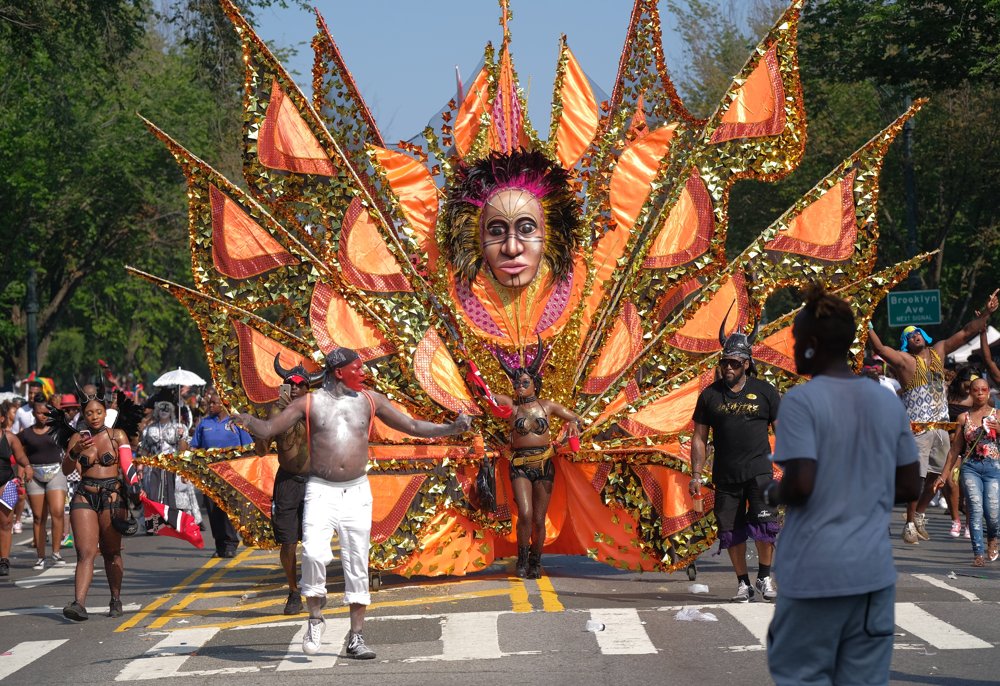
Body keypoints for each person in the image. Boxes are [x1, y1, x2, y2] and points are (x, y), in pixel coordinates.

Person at [235, 347, 471, 659]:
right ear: (339, 372)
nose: (363, 373)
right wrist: (246, 419)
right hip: (320, 490)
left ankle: (356, 637)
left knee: (357, 564)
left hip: (356, 492)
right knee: (314, 555)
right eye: (357, 368)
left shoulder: (371, 400)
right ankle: (315, 619)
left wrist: (451, 429)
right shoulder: (310, 402)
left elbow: (412, 426)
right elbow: (268, 429)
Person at [763, 283, 921, 686]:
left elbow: (801, 484)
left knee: (803, 677)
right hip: (872, 577)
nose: (794, 348)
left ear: (813, 344)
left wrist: (775, 492)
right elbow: (910, 486)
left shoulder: (801, 402)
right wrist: (862, 486)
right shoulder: (886, 401)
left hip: (815, 574)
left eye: (797, 339)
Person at [868, 289, 998, 543]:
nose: (914, 335)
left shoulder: (939, 350)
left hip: (941, 428)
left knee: (941, 477)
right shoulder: (905, 361)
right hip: (918, 429)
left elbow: (967, 332)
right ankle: (909, 523)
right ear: (906, 343)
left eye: (917, 332)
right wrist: (869, 325)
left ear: (924, 336)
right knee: (916, 478)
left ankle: (919, 514)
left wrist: (986, 313)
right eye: (909, 335)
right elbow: (881, 348)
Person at [689, 314, 781, 603]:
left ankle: (764, 577)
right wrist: (696, 475)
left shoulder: (765, 392)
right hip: (726, 475)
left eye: (734, 363)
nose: (728, 367)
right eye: (724, 362)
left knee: (765, 527)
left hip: (759, 472)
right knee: (730, 532)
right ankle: (743, 584)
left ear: (747, 364)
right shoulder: (709, 396)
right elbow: (699, 438)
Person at [489, 346, 582, 578]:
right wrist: (478, 381)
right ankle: (521, 559)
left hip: (544, 466)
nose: (519, 386)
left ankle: (535, 561)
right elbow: (489, 396)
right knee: (526, 513)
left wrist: (573, 424)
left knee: (539, 519)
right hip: (520, 466)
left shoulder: (547, 406)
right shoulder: (512, 407)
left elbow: (577, 418)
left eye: (524, 382)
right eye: (516, 383)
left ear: (534, 384)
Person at [55, 390, 138, 621]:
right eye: (89, 413)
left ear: (105, 412)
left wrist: (136, 487)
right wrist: (75, 452)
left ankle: (115, 599)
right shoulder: (77, 438)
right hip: (85, 495)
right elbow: (66, 470)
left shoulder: (117, 435)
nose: (94, 417)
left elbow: (127, 465)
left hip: (112, 497)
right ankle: (79, 604)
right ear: (83, 415)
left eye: (99, 412)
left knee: (111, 552)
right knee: (85, 553)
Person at [254, 357, 322, 615]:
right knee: (288, 542)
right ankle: (293, 592)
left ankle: (314, 587)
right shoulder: (276, 412)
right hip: (287, 483)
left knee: (315, 542)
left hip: (314, 482)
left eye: (299, 384)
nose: (294, 388)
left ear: (307, 388)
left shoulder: (316, 410)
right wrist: (263, 432)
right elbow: (261, 451)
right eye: (289, 384)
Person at [934, 377, 1000, 567]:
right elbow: (955, 449)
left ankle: (993, 538)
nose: (980, 393)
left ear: (988, 392)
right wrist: (943, 476)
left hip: (994, 468)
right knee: (975, 509)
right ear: (970, 393)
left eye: (984, 390)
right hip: (971, 468)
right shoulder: (964, 418)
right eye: (976, 390)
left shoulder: (997, 415)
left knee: (993, 512)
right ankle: (978, 553)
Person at [187, 391, 252, 557]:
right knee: (213, 510)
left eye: (213, 403)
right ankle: (220, 545)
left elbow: (248, 448)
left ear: (223, 404)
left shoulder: (236, 422)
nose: (210, 406)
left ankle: (230, 544)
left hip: (231, 474)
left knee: (227, 508)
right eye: (209, 403)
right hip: (210, 474)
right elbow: (194, 446)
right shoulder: (204, 423)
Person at [18, 395, 68, 570]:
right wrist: (24, 467)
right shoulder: (26, 433)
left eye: (46, 413)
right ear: (33, 413)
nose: (43, 416)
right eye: (39, 413)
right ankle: (40, 557)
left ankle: (56, 553)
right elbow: (16, 449)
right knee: (39, 517)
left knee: (57, 511)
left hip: (56, 471)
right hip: (35, 474)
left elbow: (71, 445)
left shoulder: (57, 429)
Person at [138, 401, 185, 535]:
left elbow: (183, 449)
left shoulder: (178, 427)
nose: (164, 411)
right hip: (153, 466)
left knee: (171, 495)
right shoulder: (150, 429)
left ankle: (172, 524)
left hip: (171, 466)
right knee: (152, 495)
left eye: (167, 409)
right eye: (161, 409)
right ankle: (153, 525)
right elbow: (145, 449)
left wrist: (181, 437)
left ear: (171, 412)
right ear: (157, 412)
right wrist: (140, 467)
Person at [0, 411, 31, 576]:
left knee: (6, 523)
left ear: (1, 418)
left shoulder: (10, 437)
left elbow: (21, 457)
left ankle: (4, 560)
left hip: (7, 483)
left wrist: (27, 466)